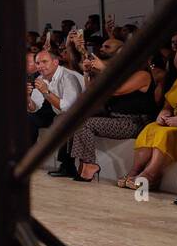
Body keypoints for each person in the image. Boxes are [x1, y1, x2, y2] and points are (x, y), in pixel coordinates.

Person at [67, 36, 156, 182]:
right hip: (116, 118)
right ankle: (83, 164)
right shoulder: (119, 75)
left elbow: (118, 90)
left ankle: (90, 164)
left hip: (135, 122)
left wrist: (103, 69)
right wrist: (88, 73)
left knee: (86, 124)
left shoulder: (143, 75)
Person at [120, 66, 177, 191]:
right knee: (151, 128)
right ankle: (136, 170)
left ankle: (151, 175)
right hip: (174, 120)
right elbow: (168, 104)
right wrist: (164, 113)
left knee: (165, 134)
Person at [27, 48, 84, 179]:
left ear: (55, 62)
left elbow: (68, 107)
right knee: (27, 117)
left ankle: (68, 165)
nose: (40, 66)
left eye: (44, 62)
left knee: (64, 118)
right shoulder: (41, 78)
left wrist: (46, 92)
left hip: (88, 110)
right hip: (60, 112)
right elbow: (33, 107)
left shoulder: (68, 77)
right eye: (37, 63)